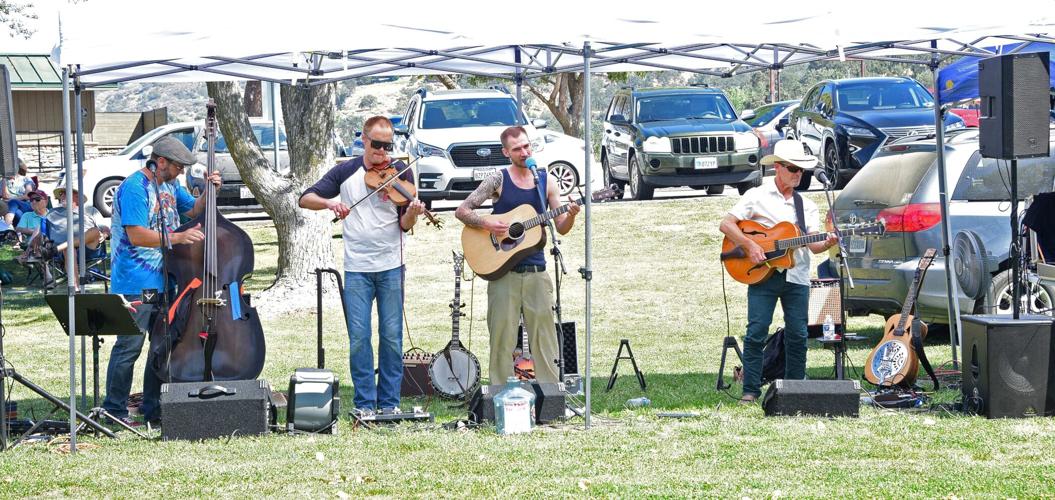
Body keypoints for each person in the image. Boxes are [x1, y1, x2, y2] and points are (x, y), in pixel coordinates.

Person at [299, 115, 425, 414]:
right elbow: (306, 198)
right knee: (359, 338)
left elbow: (404, 224)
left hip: (391, 265)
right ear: (364, 141)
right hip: (357, 267)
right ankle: (365, 403)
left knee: (392, 338)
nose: (383, 152)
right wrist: (331, 203)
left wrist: (414, 213)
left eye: (387, 145)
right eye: (377, 145)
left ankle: (390, 403)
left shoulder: (401, 175)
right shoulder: (346, 171)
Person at [102, 135, 220, 426]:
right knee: (130, 345)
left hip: (165, 280)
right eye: (178, 167)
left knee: (160, 345)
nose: (181, 172)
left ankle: (153, 408)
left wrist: (208, 191)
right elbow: (136, 234)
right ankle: (114, 409)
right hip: (136, 281)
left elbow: (192, 210)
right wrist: (178, 237)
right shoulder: (134, 187)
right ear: (161, 162)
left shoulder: (170, 185)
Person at [454, 125, 580, 384]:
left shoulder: (546, 180)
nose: (524, 152)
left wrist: (573, 215)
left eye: (526, 146)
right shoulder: (498, 179)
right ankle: (501, 398)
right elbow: (463, 210)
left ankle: (550, 396)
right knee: (502, 338)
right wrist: (486, 223)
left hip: (537, 271)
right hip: (504, 274)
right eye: (517, 149)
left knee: (544, 339)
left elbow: (561, 228)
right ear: (506, 152)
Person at [718, 139, 838, 403]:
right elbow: (727, 225)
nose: (798, 175)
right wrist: (750, 245)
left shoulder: (806, 206)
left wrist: (829, 241)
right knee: (757, 330)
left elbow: (814, 246)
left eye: (801, 171)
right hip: (762, 273)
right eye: (793, 169)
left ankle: (795, 386)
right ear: (778, 168)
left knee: (798, 333)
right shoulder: (756, 196)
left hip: (797, 276)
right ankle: (750, 389)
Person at [3, 158, 37, 227]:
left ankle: (5, 228)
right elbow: (5, 196)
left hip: (25, 205)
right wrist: (4, 182)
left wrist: (13, 198)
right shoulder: (4, 180)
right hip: (11, 208)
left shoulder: (26, 179)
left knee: (13, 202)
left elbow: (28, 195)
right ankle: (14, 232)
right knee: (17, 212)